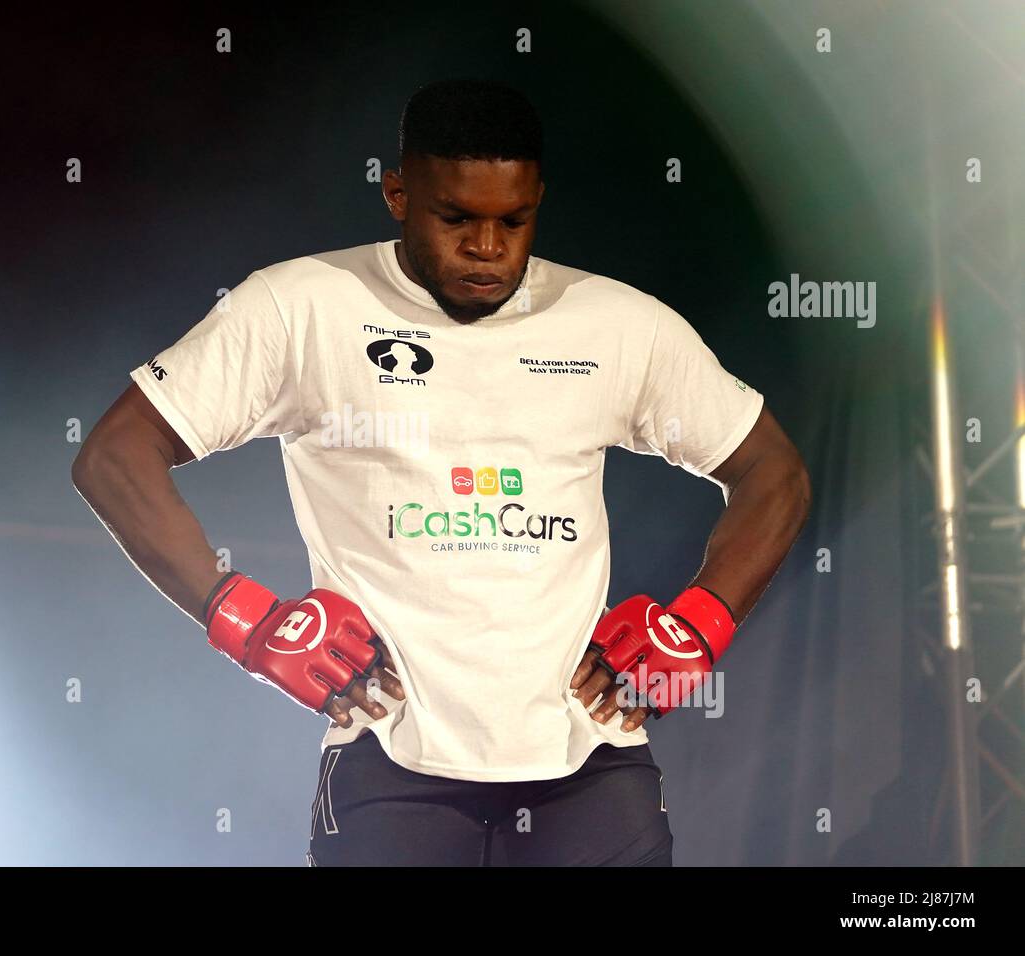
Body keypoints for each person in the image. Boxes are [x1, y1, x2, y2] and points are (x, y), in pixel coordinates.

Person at [71, 78, 811, 866]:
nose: (488, 248)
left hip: (589, 760)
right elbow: (114, 455)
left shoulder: (617, 324)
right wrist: (245, 621)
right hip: (390, 761)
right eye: (456, 218)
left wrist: (699, 625)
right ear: (398, 193)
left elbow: (774, 472)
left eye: (512, 220)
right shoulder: (301, 308)